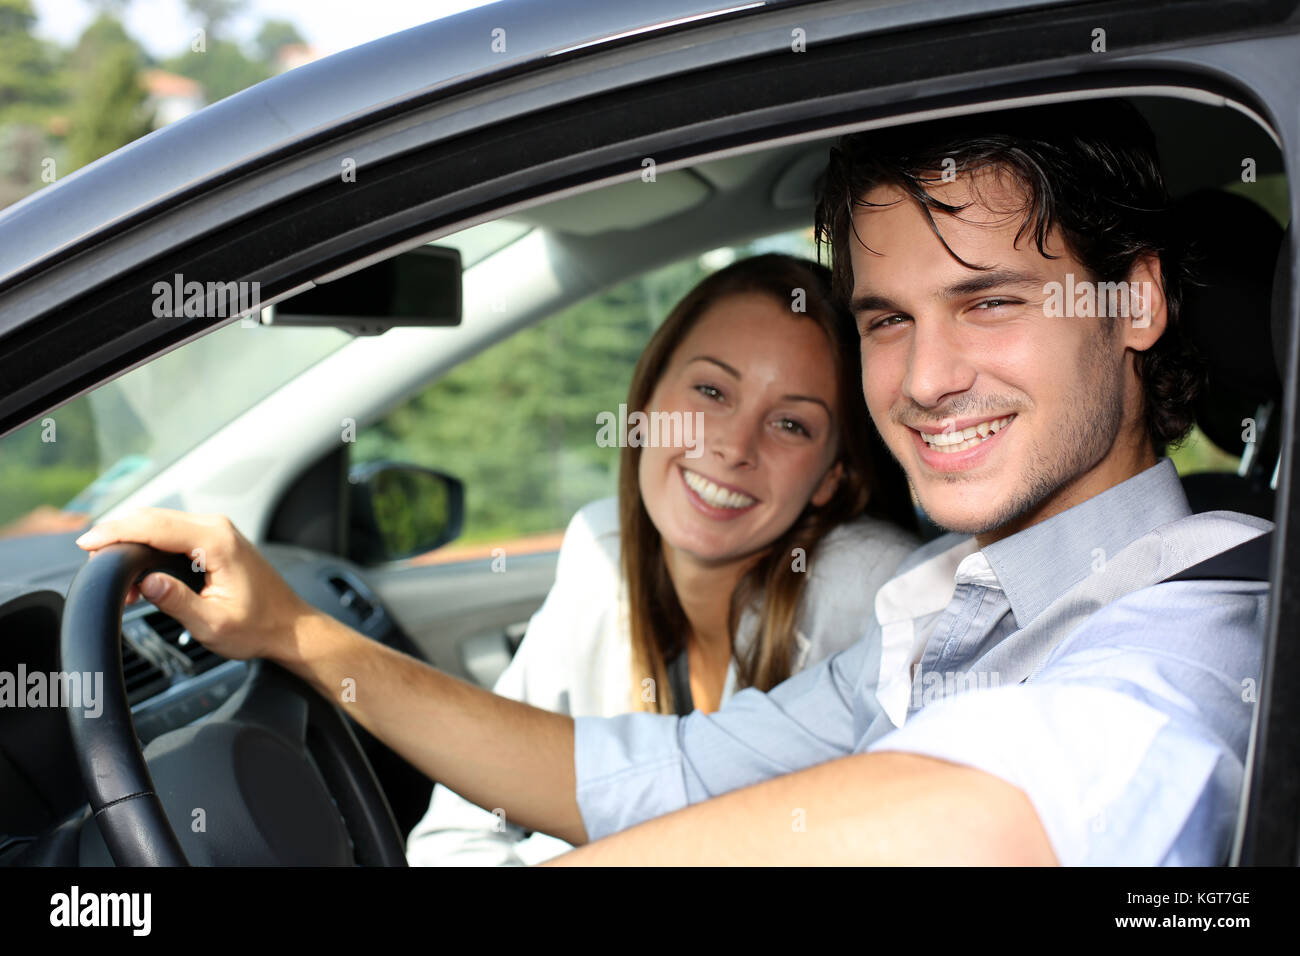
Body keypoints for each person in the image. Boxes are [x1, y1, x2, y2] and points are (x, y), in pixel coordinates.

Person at [77, 99, 1273, 865]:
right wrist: (293, 630)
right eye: (886, 319)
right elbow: (642, 777)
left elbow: (992, 813)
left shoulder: (1203, 628)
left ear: (1135, 301)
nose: (925, 376)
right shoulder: (947, 605)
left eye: (990, 302)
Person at [405, 254, 921, 865]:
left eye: (790, 424)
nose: (733, 447)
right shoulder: (602, 551)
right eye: (710, 391)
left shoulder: (874, 593)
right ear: (646, 403)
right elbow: (458, 832)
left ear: (831, 477)